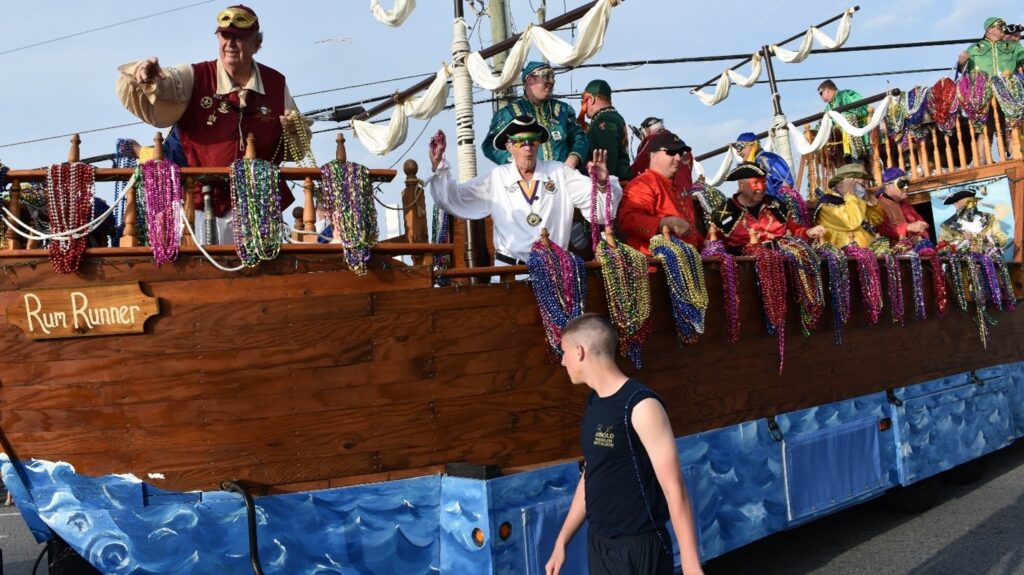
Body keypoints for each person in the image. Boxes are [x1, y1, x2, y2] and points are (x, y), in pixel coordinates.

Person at [116, 5, 308, 244]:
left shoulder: (276, 84)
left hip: (252, 210)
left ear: (257, 44)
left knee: (252, 278)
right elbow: (165, 84)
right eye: (225, 36)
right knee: (190, 275)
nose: (231, 43)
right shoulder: (195, 75)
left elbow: (297, 146)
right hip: (191, 204)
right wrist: (146, 74)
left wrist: (293, 129)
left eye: (240, 37)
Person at [545, 314, 704, 575]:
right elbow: (593, 474)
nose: (562, 361)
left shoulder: (641, 405)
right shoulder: (594, 403)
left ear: (580, 351)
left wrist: (690, 563)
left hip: (639, 547)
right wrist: (562, 541)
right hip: (600, 545)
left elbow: (674, 488)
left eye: (564, 353)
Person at [427, 116, 621, 265]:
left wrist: (602, 184)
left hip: (555, 273)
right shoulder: (497, 177)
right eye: (521, 142)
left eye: (533, 140)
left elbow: (603, 214)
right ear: (509, 146)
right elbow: (454, 199)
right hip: (510, 275)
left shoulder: (560, 172)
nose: (527, 148)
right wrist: (438, 168)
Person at [482, 62, 588, 169]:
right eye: (546, 76)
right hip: (527, 180)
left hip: (562, 176)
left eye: (553, 77)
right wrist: (515, 161)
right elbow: (490, 145)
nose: (551, 82)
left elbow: (580, 138)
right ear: (529, 80)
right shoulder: (508, 113)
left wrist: (573, 159)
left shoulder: (563, 110)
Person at [617, 131, 703, 254]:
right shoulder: (642, 184)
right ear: (653, 155)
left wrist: (702, 242)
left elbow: (689, 229)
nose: (678, 158)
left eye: (680, 153)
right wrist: (665, 223)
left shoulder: (681, 186)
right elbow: (628, 221)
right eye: (671, 152)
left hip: (688, 260)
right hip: (655, 267)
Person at [709, 163, 825, 253]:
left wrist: (809, 232)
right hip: (743, 270)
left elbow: (796, 231)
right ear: (741, 186)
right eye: (755, 183)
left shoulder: (777, 206)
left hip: (781, 261)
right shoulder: (724, 212)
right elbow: (712, 244)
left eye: (764, 182)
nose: (761, 188)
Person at [814, 163, 883, 249]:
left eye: (863, 185)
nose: (863, 188)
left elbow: (876, 220)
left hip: (868, 253)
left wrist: (870, 201)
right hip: (847, 258)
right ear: (842, 184)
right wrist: (850, 193)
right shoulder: (827, 203)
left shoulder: (854, 200)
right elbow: (852, 222)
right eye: (859, 185)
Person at [580, 80, 631, 181]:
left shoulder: (603, 121)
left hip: (608, 188)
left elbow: (605, 159)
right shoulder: (615, 117)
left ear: (591, 99)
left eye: (583, 101)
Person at [630, 117, 695, 193]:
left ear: (646, 130)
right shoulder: (680, 144)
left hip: (664, 193)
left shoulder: (651, 140)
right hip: (686, 195)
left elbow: (637, 166)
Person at [939, 187, 1009, 250]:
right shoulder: (947, 225)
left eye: (960, 201)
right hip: (963, 263)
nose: (957, 205)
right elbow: (942, 248)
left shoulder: (989, 218)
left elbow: (1002, 238)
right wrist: (962, 240)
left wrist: (987, 239)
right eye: (955, 202)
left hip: (990, 262)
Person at [818, 80, 870, 163]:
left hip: (859, 139)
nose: (820, 97)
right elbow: (823, 123)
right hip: (842, 147)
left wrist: (845, 116)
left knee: (860, 164)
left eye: (821, 93)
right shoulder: (829, 107)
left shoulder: (847, 94)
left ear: (827, 90)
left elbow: (864, 109)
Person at [875, 167, 930, 244]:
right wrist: (908, 227)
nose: (906, 187)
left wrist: (919, 236)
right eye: (901, 184)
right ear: (888, 186)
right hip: (894, 253)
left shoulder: (905, 204)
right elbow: (883, 230)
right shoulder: (880, 205)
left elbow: (923, 225)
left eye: (907, 183)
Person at [733, 132, 794, 198]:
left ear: (752, 145)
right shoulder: (749, 167)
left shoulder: (770, 158)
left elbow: (787, 183)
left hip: (777, 205)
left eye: (739, 147)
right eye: (737, 149)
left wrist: (775, 203)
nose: (738, 153)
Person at [957, 17, 1024, 76]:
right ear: (989, 29)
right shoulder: (973, 48)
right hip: (982, 89)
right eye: (1000, 26)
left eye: (1004, 26)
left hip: (1009, 88)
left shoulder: (1014, 46)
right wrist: (961, 64)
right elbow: (964, 73)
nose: (1004, 29)